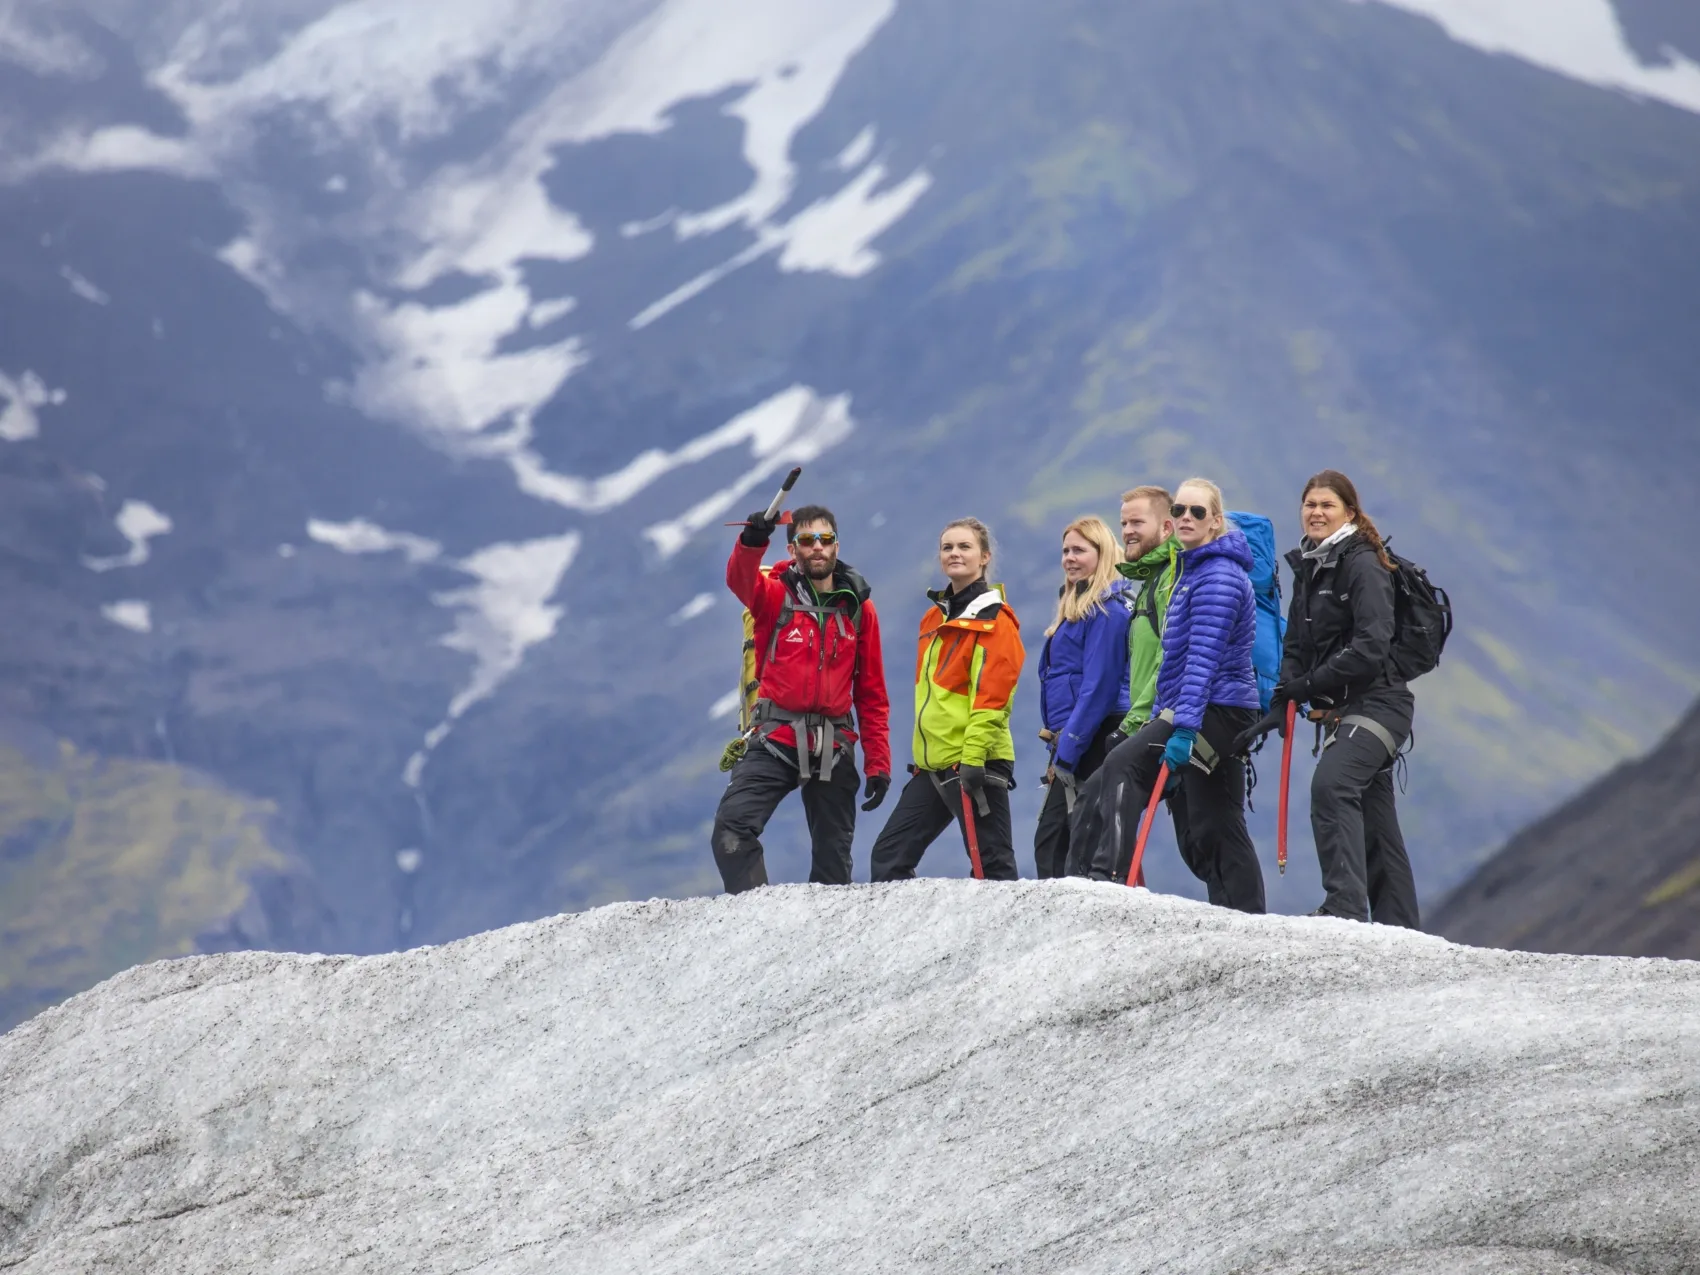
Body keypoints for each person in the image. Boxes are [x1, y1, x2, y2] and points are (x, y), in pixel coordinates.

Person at [1239, 470, 1419, 926]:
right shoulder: (1310, 564)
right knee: (1377, 825)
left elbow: (1371, 647)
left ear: (1350, 514)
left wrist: (1307, 686)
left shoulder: (1363, 563)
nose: (1315, 512)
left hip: (1380, 705)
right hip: (1345, 711)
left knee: (1331, 785)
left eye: (1327, 505)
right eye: (1310, 504)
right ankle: (1400, 928)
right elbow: (1297, 643)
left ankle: (1344, 908)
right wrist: (1284, 696)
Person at [1082, 479, 1266, 913]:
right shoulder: (1193, 570)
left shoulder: (1217, 577)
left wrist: (1182, 726)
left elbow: (1202, 659)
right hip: (1211, 706)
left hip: (1214, 709)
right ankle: (1242, 916)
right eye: (1180, 510)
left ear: (1216, 522)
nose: (1186, 517)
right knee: (1214, 820)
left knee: (1123, 765)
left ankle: (1108, 879)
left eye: (1197, 512)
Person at [710, 503, 891, 893]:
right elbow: (740, 581)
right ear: (792, 549)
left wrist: (879, 763)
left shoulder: (858, 608)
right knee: (732, 830)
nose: (817, 548)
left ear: (837, 546)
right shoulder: (773, 597)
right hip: (775, 738)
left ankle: (823, 940)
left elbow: (872, 693)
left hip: (835, 745)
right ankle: (756, 919)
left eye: (826, 540)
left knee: (834, 861)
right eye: (807, 540)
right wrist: (751, 542)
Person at [870, 519, 1024, 882]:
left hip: (975, 761)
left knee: (993, 868)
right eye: (948, 547)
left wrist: (972, 759)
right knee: (888, 857)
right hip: (933, 765)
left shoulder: (995, 620)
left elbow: (993, 697)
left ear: (984, 557)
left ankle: (1008, 939)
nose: (955, 553)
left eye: (965, 547)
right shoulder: (934, 617)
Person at [1063, 486, 1180, 878]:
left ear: (1166, 527)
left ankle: (1104, 887)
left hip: (1167, 718)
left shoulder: (1163, 585)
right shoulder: (1149, 581)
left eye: (1136, 522)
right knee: (1207, 838)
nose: (1127, 530)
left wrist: (1131, 724)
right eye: (1124, 522)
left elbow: (1166, 660)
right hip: (1150, 719)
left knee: (1210, 834)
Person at [1034, 515, 1133, 879]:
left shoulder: (1107, 612)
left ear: (1103, 553)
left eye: (1079, 550)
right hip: (1077, 735)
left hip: (1096, 735)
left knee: (1067, 841)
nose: (1069, 558)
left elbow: (1100, 688)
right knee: (1056, 842)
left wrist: (1068, 749)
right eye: (1065, 551)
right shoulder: (1077, 609)